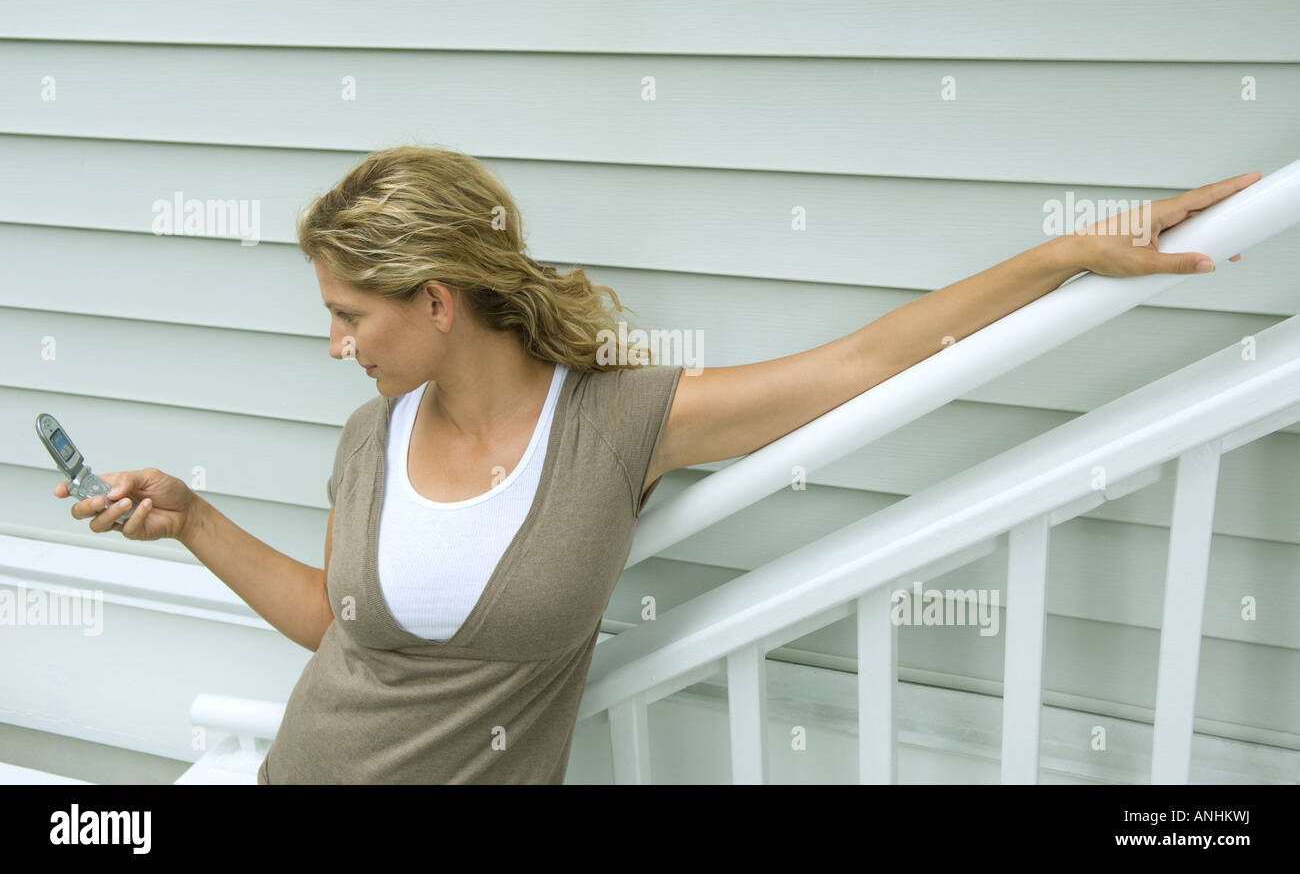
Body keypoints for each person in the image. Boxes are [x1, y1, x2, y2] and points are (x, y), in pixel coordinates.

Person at [53, 148, 1256, 782]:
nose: (333, 344)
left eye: (347, 315)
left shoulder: (619, 423)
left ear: (432, 301)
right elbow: (340, 629)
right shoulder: (371, 438)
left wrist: (1067, 256)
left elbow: (862, 364)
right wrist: (194, 519)